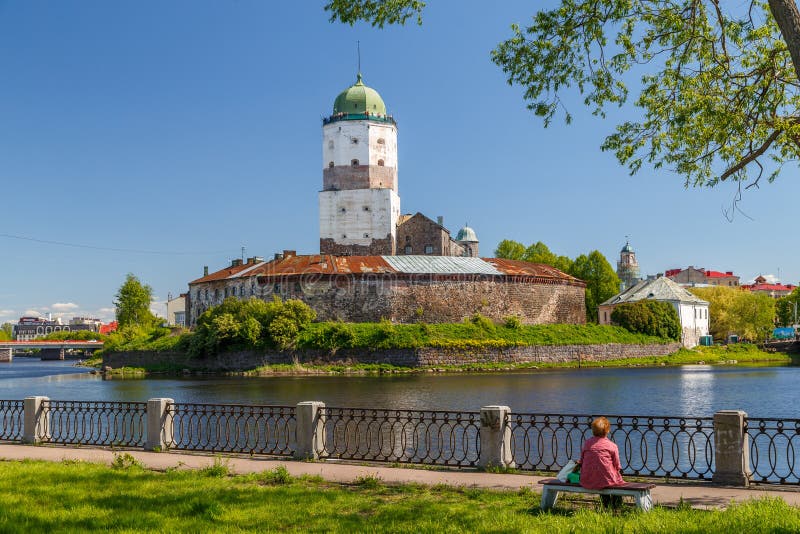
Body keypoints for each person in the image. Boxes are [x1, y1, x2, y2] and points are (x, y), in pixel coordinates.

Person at [578, 416, 625, 507]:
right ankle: (617, 505)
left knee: (600, 474)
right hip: (605, 480)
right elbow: (617, 465)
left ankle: (605, 503)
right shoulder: (612, 445)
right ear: (607, 431)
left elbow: (581, 460)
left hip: (587, 479)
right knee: (613, 479)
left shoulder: (587, 443)